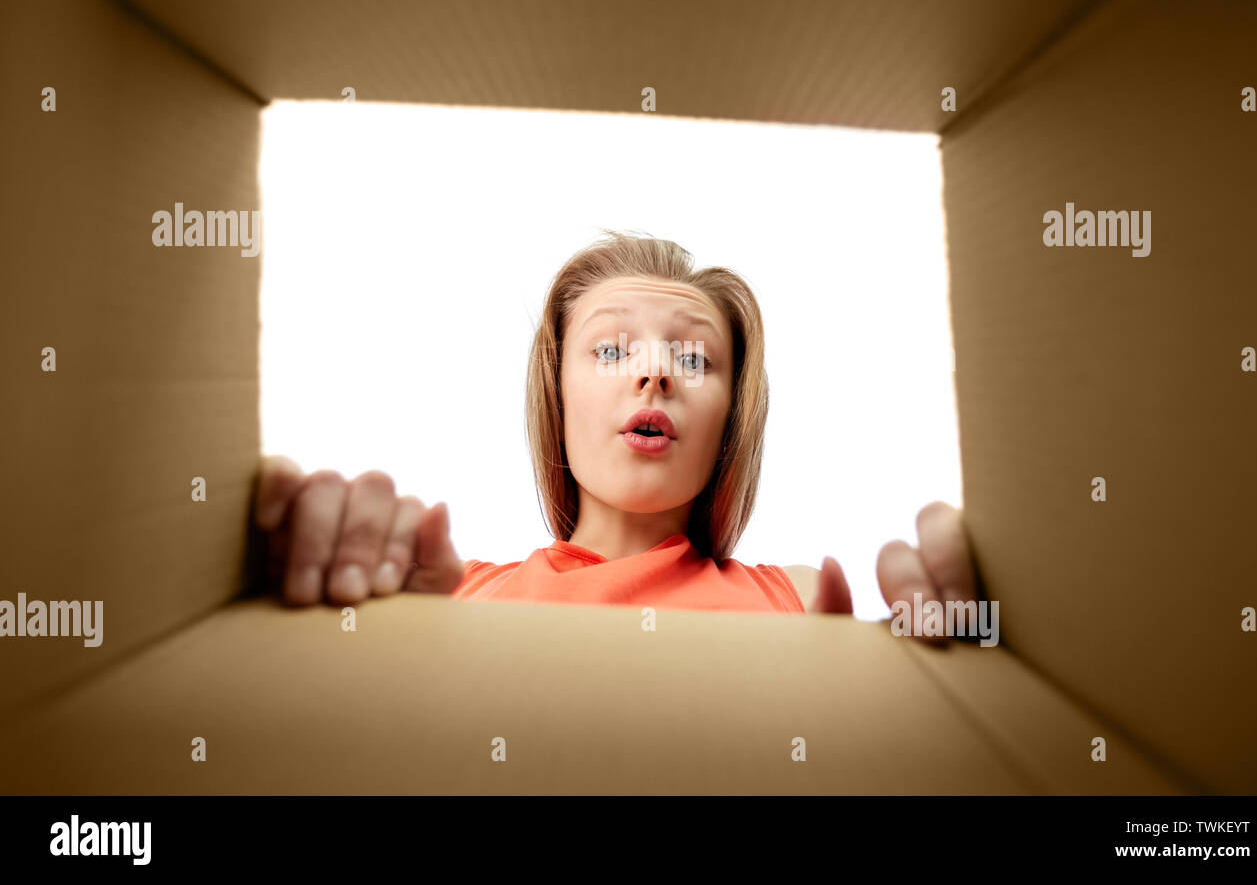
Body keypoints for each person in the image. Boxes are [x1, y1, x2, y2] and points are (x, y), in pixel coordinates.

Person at [252, 230, 977, 637]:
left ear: (731, 419)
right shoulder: (441, 594)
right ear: (556, 397)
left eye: (694, 357)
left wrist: (958, 652)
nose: (656, 372)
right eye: (610, 349)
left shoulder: (806, 602)